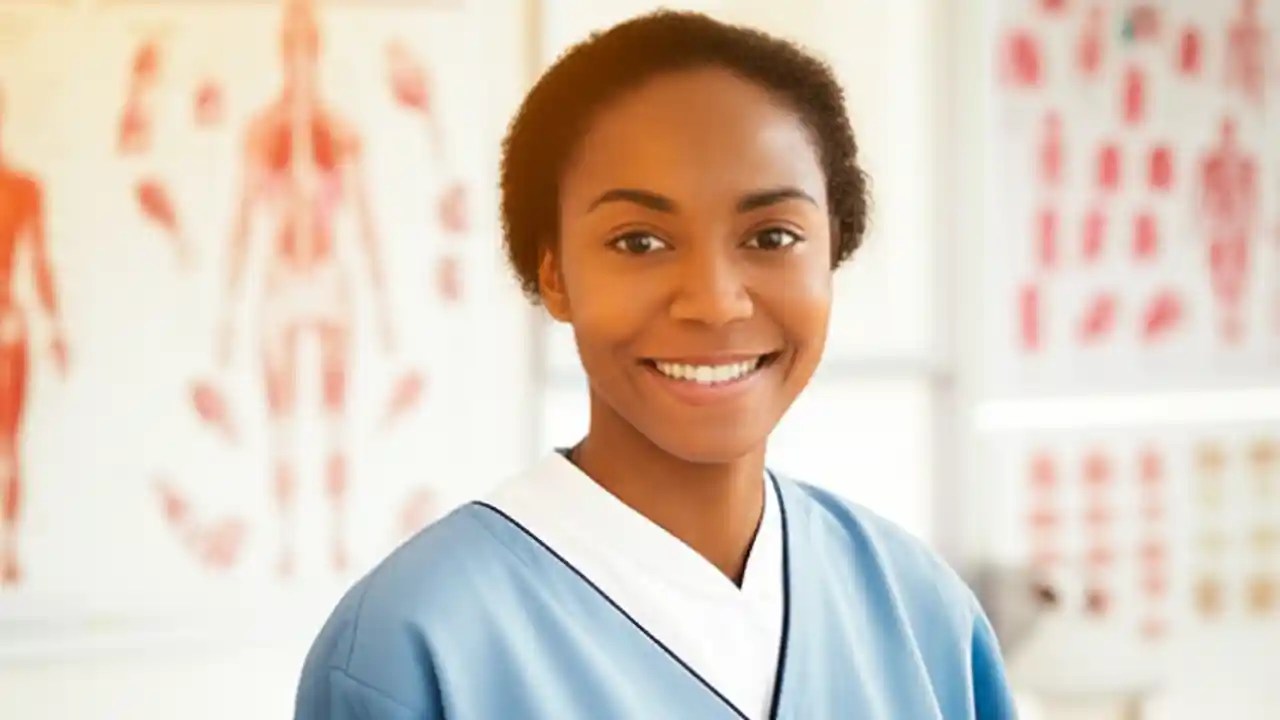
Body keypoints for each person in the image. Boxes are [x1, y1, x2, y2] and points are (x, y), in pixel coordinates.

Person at [295, 12, 1017, 719]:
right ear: (553, 274)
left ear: (835, 248)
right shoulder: (411, 647)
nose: (716, 304)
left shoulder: (922, 615)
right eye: (639, 242)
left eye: (771, 236)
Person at [213, 0, 395, 575]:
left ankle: (337, 537)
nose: (298, 60)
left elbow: (365, 218)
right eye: (290, 48)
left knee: (335, 412)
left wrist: (384, 305)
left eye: (305, 48)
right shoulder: (263, 132)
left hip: (328, 274)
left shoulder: (339, 133)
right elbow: (243, 219)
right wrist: (227, 311)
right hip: (282, 276)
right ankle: (288, 540)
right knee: (283, 416)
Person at [0, 88, 68, 586]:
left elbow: (40, 263)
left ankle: (8, 547)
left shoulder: (22, 189)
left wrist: (56, 326)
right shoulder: (21, 188)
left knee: (9, 441)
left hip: (7, 323)